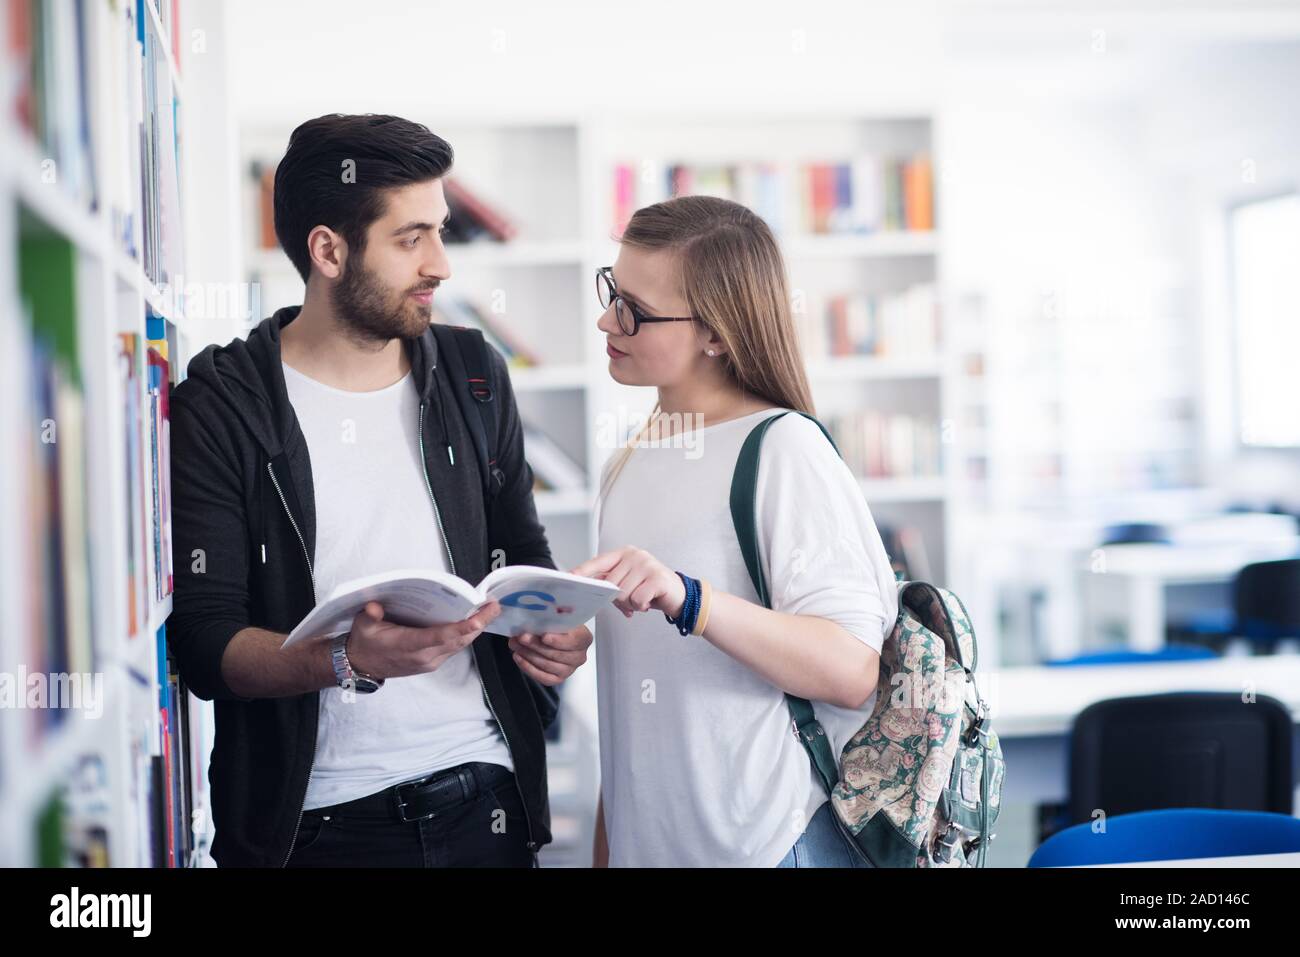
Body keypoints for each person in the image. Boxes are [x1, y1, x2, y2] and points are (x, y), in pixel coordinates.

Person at [168, 113, 592, 867]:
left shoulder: (474, 371)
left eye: (441, 231)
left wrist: (553, 634)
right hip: (315, 826)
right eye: (411, 238)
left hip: (485, 800)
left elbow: (522, 556)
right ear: (328, 250)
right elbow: (206, 643)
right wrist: (343, 658)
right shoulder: (223, 399)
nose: (441, 264)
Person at [574, 195, 899, 867]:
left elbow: (850, 668)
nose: (607, 318)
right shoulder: (629, 457)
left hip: (765, 847)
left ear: (716, 333)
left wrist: (691, 599)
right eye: (612, 290)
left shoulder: (783, 449)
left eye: (634, 308)